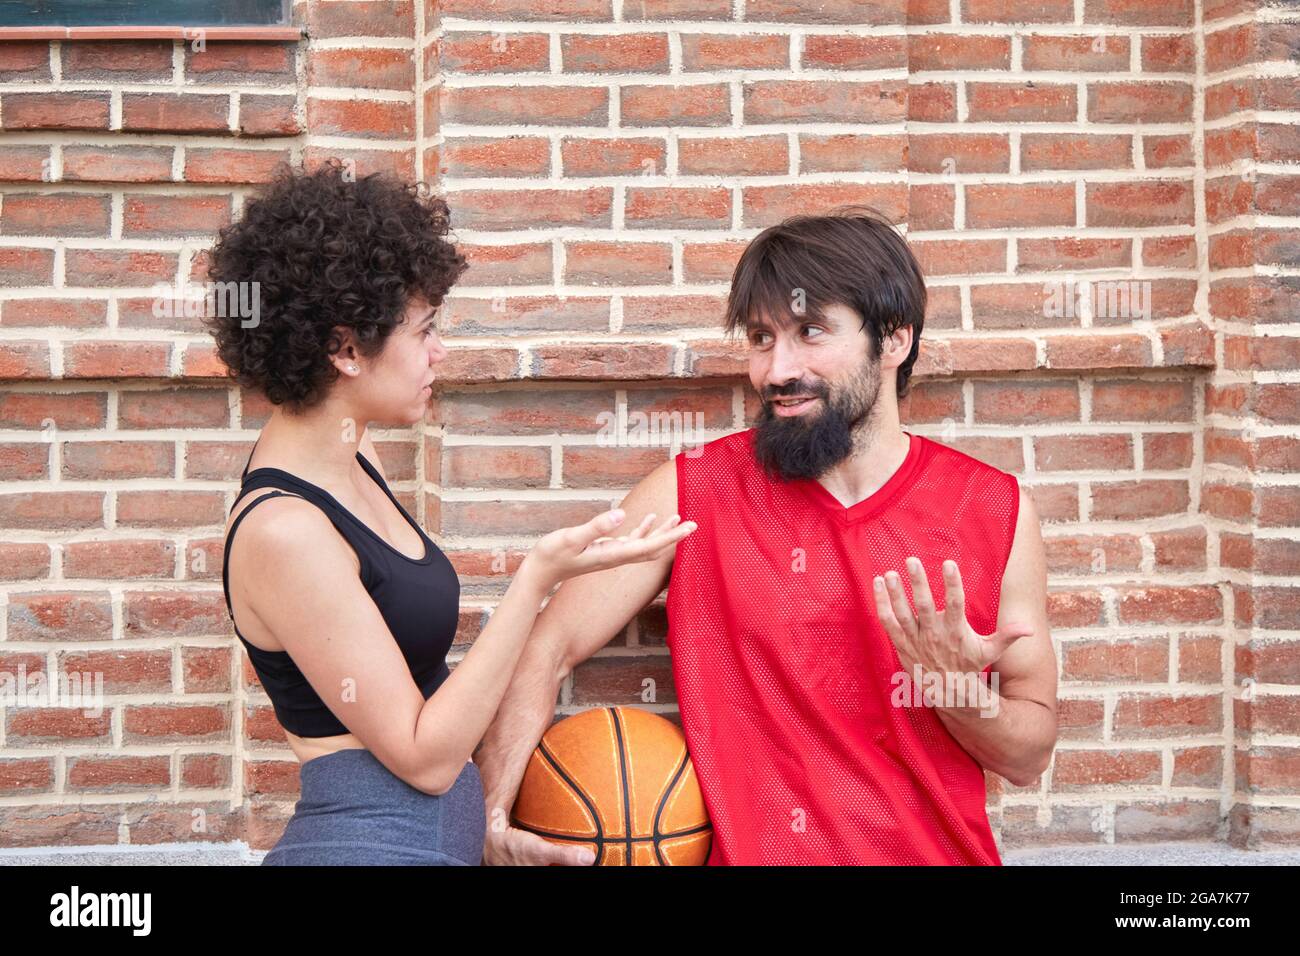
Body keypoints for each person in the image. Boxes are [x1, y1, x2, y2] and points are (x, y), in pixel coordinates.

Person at [475, 206, 1059, 865]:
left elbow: (1030, 754)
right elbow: (544, 645)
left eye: (810, 332)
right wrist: (492, 820)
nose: (777, 369)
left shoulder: (995, 510)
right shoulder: (694, 495)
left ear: (894, 340)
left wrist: (952, 688)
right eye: (760, 338)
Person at [207, 161, 695, 865]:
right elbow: (424, 757)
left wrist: (487, 844)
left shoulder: (348, 457)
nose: (440, 352)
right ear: (346, 349)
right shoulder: (284, 531)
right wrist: (534, 582)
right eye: (423, 329)